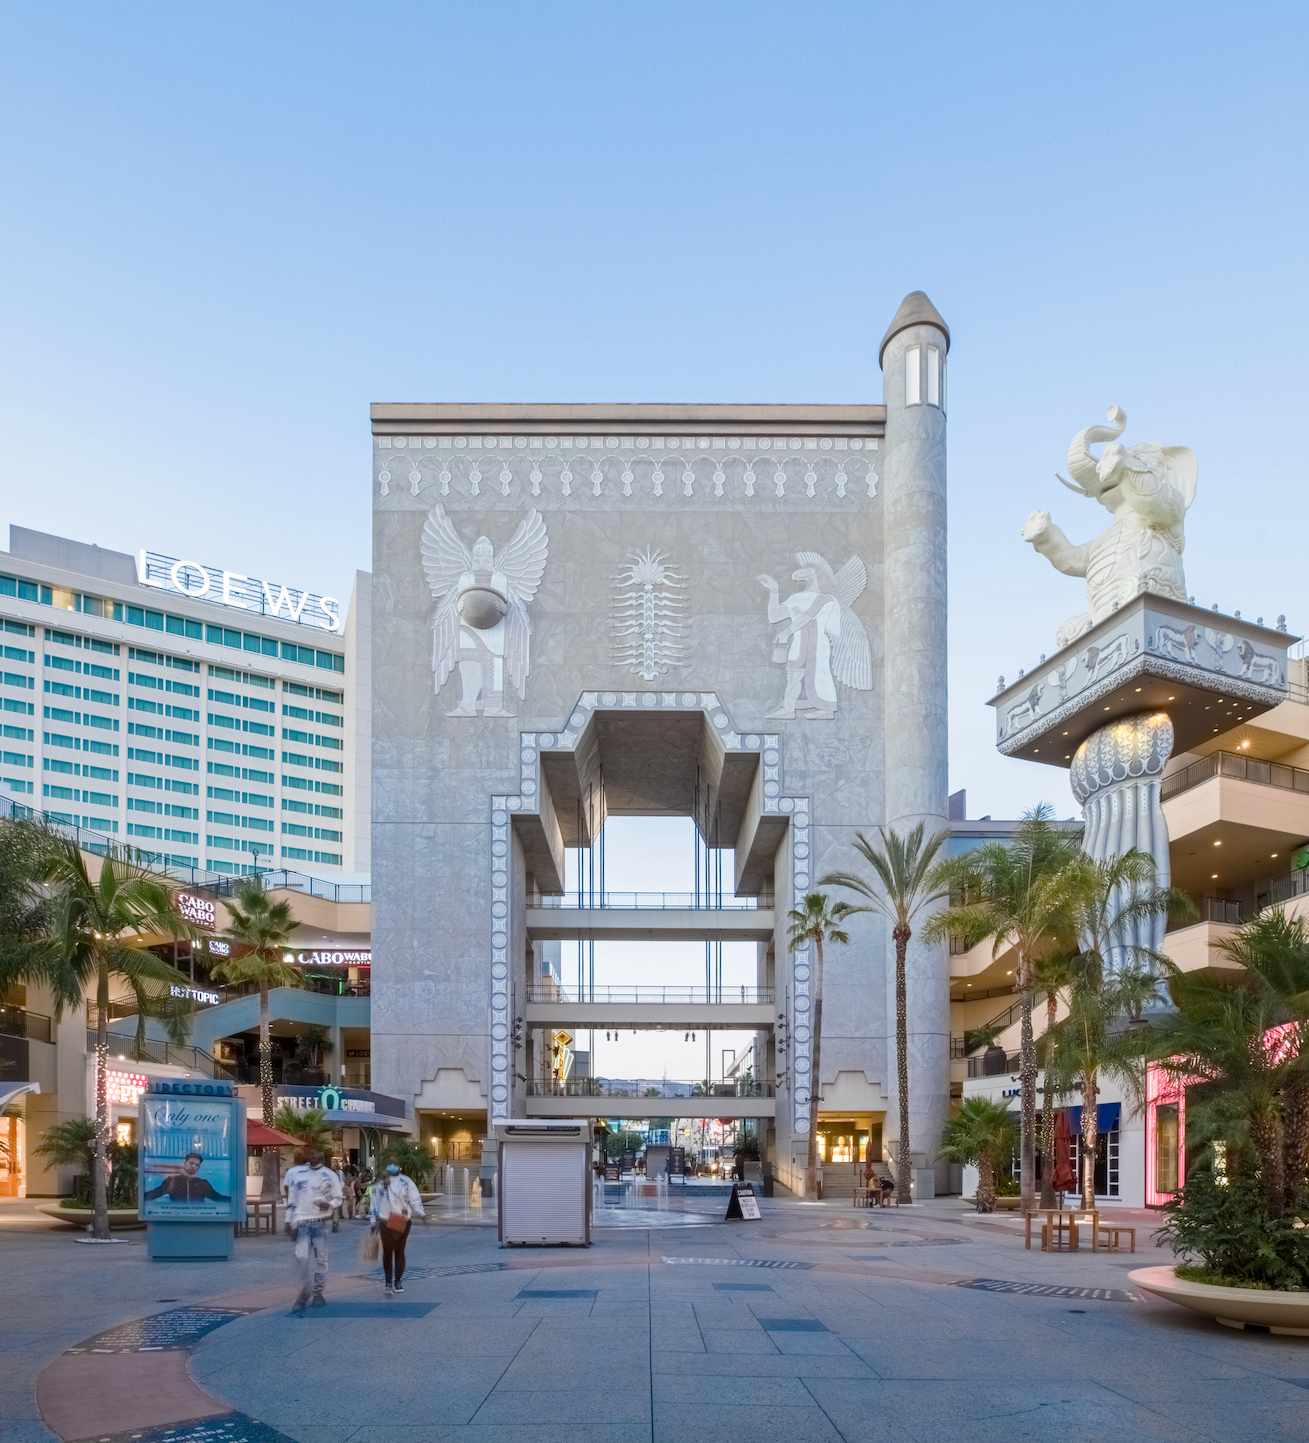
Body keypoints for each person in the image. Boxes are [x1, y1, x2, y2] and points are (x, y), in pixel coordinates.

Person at [284, 1143, 343, 1313]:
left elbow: (339, 1197)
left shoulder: (330, 1175)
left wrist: (329, 1204)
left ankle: (318, 1292)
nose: (315, 1158)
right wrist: (289, 1220)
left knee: (321, 1259)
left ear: (323, 1156)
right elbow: (292, 1198)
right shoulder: (296, 1173)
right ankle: (306, 1287)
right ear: (307, 1155)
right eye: (312, 1154)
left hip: (320, 1223)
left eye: (318, 1155)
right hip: (302, 1223)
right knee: (301, 1255)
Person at [369, 1161, 425, 1294]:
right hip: (399, 1222)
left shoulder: (382, 1184)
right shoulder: (405, 1181)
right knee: (397, 1252)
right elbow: (415, 1199)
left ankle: (390, 1283)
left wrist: (373, 1222)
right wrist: (421, 1213)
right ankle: (395, 1282)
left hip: (389, 1222)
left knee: (390, 1252)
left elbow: (374, 1203)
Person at [143, 1152, 230, 1203]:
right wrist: (138, 1198)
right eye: (191, 1163)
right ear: (185, 1163)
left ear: (198, 1167)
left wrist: (235, 1200)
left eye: (196, 1165)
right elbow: (153, 1194)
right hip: (176, 1218)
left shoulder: (202, 1183)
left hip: (199, 1218)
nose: (193, 1166)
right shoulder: (172, 1180)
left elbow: (217, 1198)